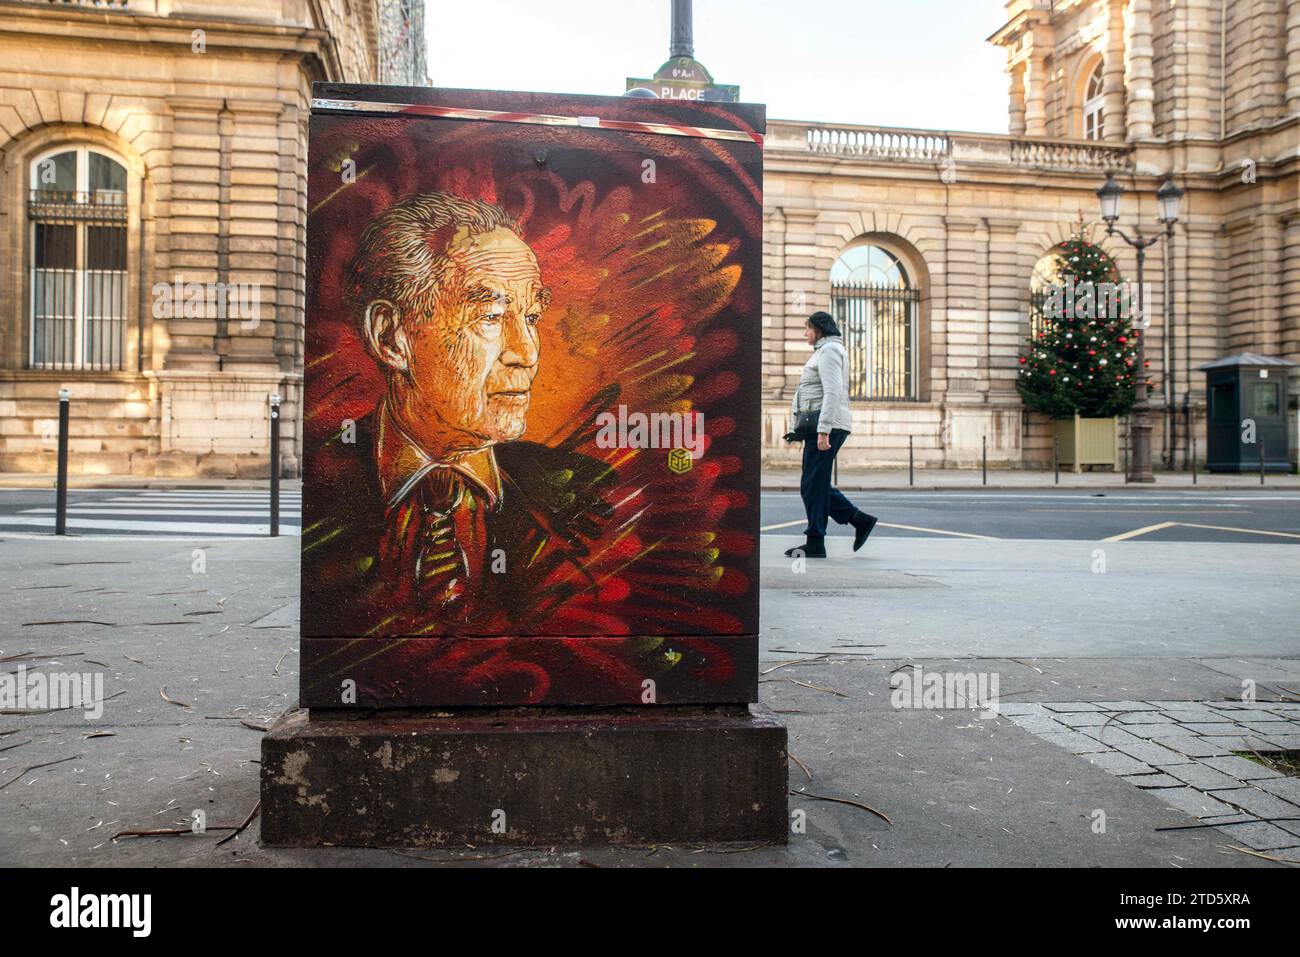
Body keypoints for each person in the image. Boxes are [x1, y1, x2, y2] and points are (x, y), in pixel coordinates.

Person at [300, 190, 613, 636]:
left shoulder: (580, 494)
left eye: (530, 317)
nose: (526, 353)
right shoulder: (324, 486)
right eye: (489, 316)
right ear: (391, 338)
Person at [784, 311, 877, 559]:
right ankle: (857, 520)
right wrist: (797, 429)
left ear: (819, 329)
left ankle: (817, 540)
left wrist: (823, 430)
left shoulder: (830, 352)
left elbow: (832, 392)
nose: (805, 333)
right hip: (822, 427)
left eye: (807, 328)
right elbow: (810, 393)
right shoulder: (822, 352)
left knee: (812, 484)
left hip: (829, 427)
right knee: (815, 483)